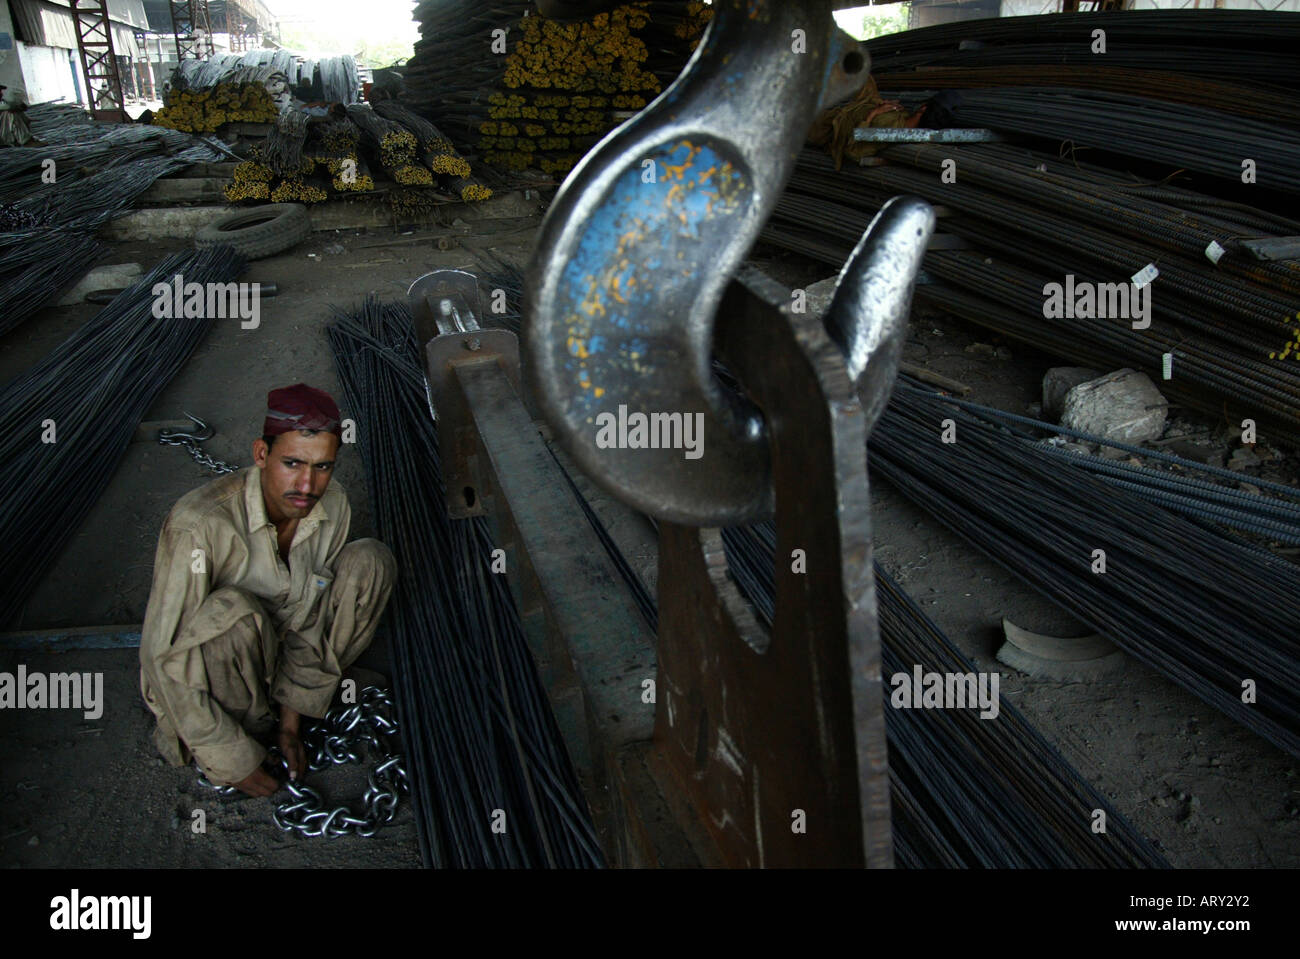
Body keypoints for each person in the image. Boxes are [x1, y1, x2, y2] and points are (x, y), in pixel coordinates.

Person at [139, 384, 397, 798]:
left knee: (370, 560)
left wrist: (291, 724)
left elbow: (310, 619)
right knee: (232, 610)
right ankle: (248, 728)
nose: (307, 485)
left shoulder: (333, 506)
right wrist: (231, 758)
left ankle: (296, 701)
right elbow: (159, 655)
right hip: (222, 666)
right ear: (262, 455)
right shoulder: (198, 525)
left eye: (323, 467)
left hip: (283, 654)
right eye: (292, 463)